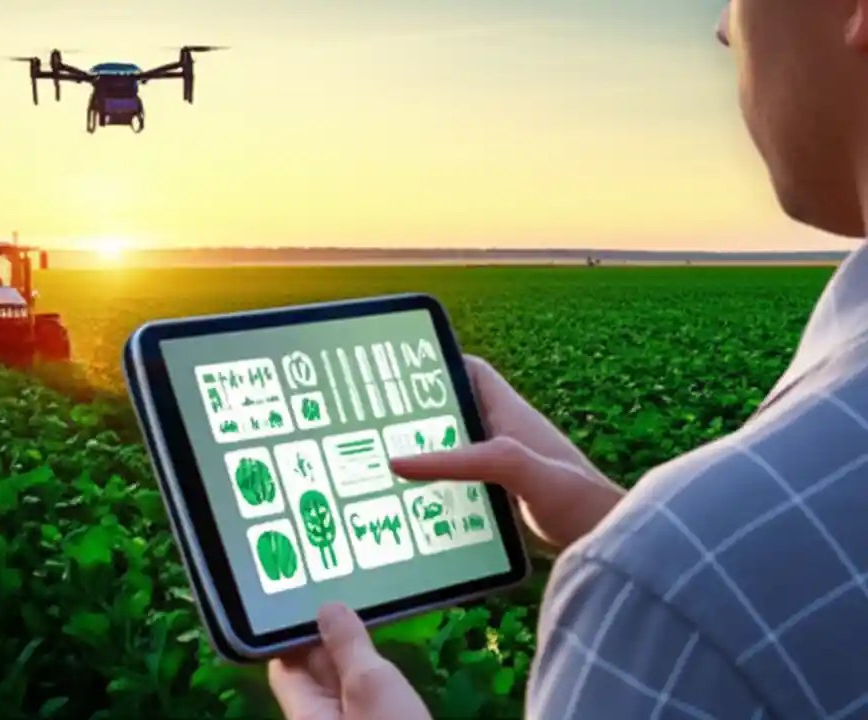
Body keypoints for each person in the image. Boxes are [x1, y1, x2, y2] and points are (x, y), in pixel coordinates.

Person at [268, 2, 868, 718]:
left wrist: (657, 570)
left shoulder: (673, 602)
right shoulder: (687, 581)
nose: (723, 27)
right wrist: (620, 524)